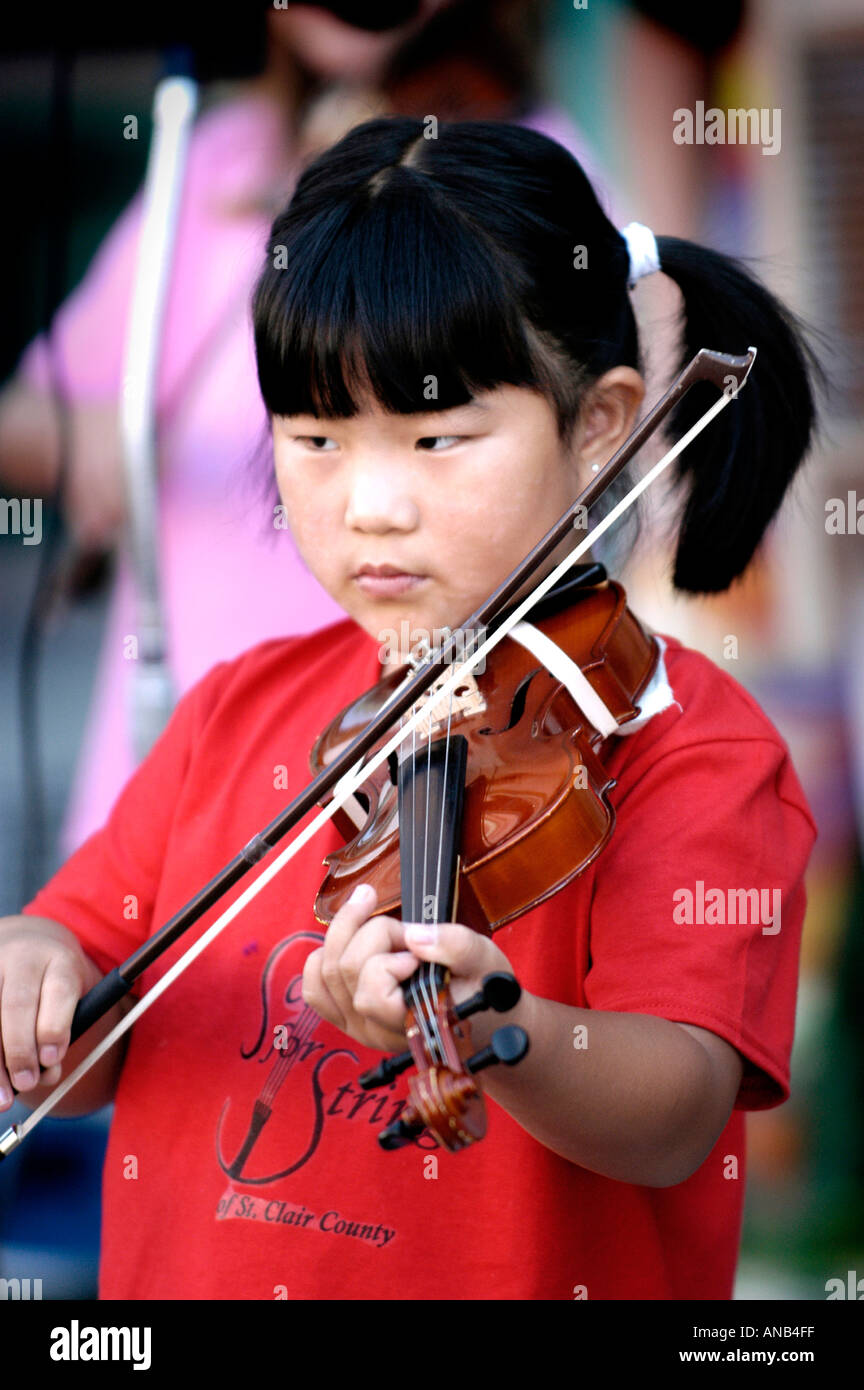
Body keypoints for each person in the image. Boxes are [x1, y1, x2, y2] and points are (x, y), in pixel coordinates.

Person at [0, 117, 818, 1300]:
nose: (371, 505)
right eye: (316, 439)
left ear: (600, 424)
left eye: (436, 438)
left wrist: (498, 1024)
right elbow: (92, 1038)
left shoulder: (682, 745)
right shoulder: (238, 704)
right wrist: (33, 965)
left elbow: (679, 1106)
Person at [0, 0, 606, 859]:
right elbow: (30, 410)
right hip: (180, 737)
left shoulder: (529, 168)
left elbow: (624, 424)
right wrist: (99, 436)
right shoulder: (215, 155)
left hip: (410, 772)